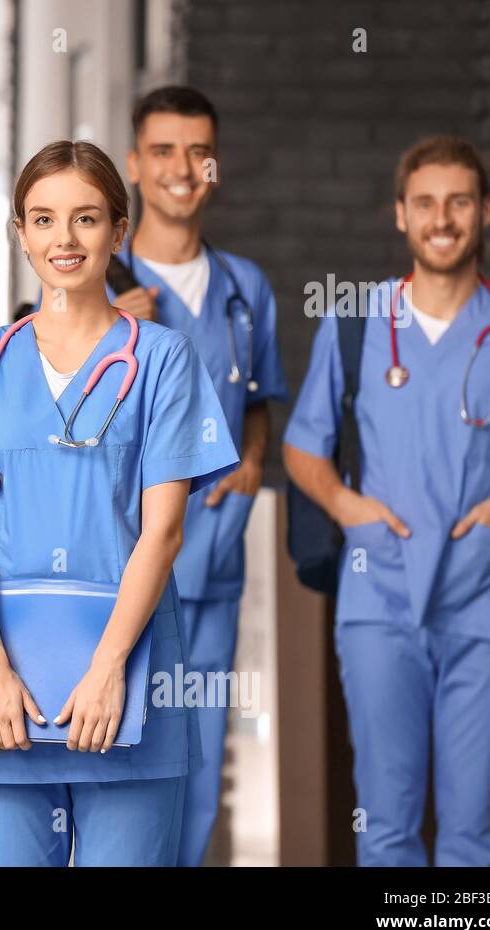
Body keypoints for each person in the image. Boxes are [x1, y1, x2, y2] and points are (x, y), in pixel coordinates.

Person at [0, 140, 239, 866]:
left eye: (86, 219)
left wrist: (110, 667)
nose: (65, 239)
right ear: (21, 233)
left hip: (128, 676)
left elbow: (164, 532)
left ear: (118, 233)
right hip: (4, 691)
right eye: (44, 219)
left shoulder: (162, 359)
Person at [284, 135, 490, 866]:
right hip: (380, 601)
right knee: (385, 825)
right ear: (401, 215)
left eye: (460, 202)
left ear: (486, 211)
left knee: (474, 831)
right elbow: (301, 446)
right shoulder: (358, 324)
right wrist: (346, 508)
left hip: (487, 604)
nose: (444, 218)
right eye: (427, 203)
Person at [113, 85, 287, 865]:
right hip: (111, 569)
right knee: (113, 759)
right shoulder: (96, 279)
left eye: (198, 151)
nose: (182, 168)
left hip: (211, 565)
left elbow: (258, 398)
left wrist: (252, 460)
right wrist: (117, 331)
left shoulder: (248, 289)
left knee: (195, 764)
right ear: (135, 166)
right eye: (163, 151)